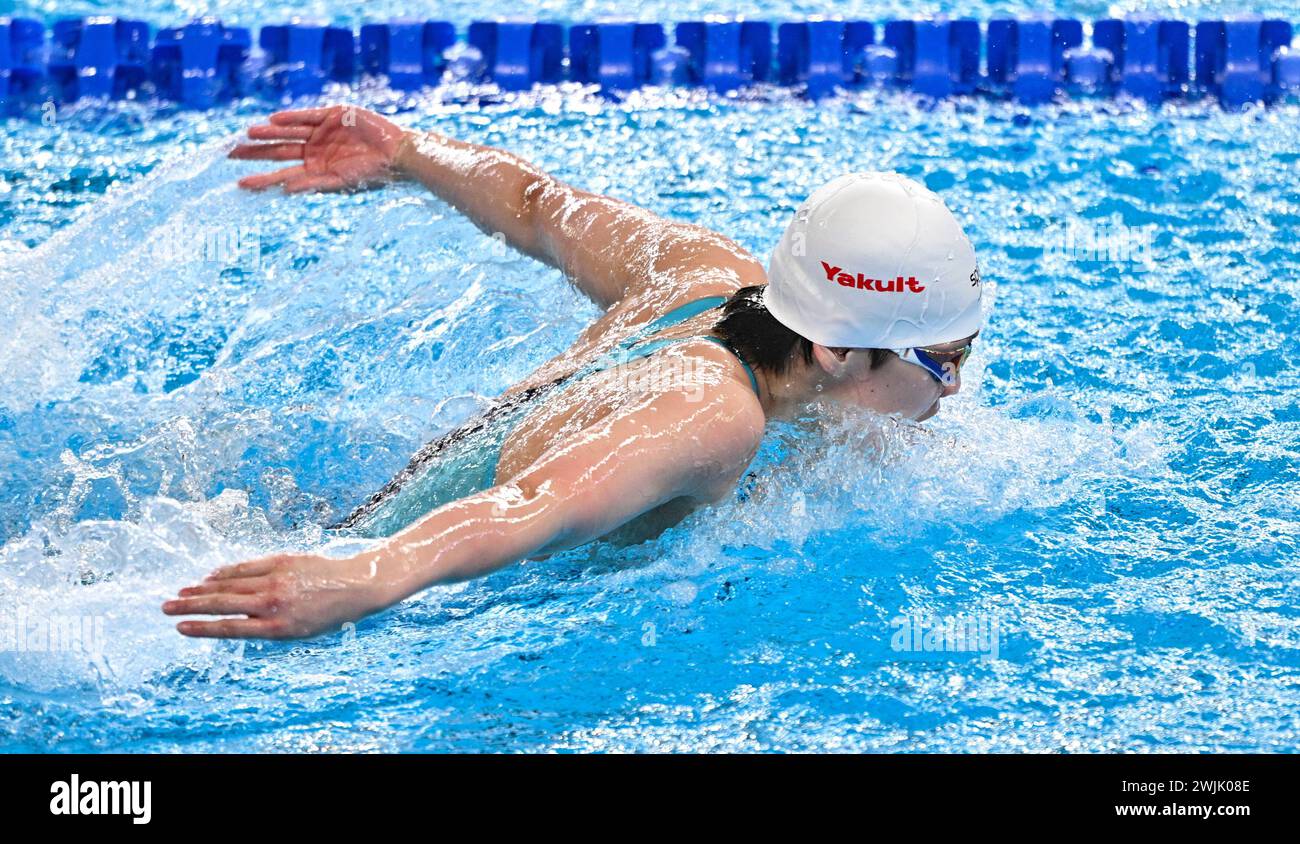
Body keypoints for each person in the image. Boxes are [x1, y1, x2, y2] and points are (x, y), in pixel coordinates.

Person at [162, 105, 983, 640]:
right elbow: (535, 507)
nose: (952, 391)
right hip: (342, 593)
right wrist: (372, 575)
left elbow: (539, 206)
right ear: (837, 350)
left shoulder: (702, 274)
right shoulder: (714, 416)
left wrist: (409, 150)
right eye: (941, 363)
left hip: (338, 524)